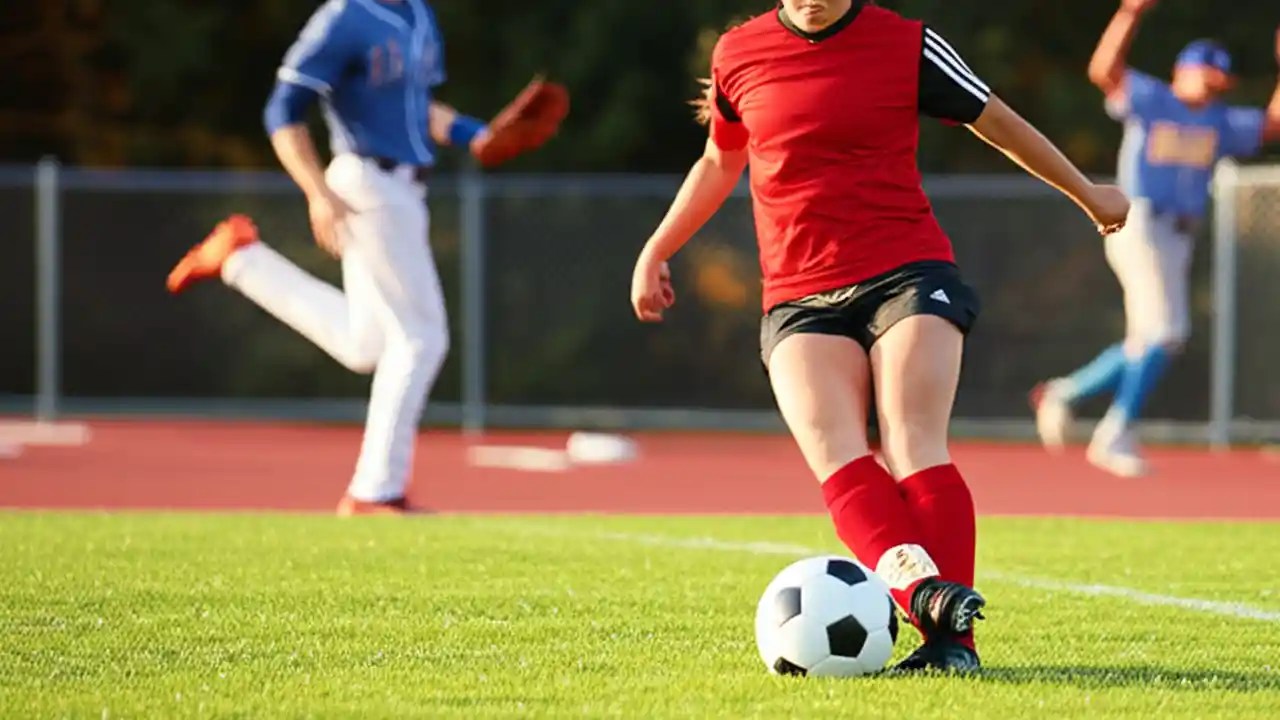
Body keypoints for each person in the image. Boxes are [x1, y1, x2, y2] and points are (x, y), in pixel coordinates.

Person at [630, 0, 1130, 672]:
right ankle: (922, 590)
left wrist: (1088, 193)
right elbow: (722, 160)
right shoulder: (736, 55)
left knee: (911, 438)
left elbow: (998, 122)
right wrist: (657, 248)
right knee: (836, 453)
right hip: (800, 294)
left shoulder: (906, 44)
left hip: (907, 271)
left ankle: (955, 646)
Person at [165, 0, 565, 515]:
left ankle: (240, 259)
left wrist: (476, 137)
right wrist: (315, 191)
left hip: (403, 191)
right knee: (422, 338)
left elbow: (415, 105)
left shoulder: (418, 12)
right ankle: (374, 491)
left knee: (367, 343)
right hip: (367, 183)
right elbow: (282, 109)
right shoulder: (344, 16)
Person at [1031, 0, 1280, 477]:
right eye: (1205, 77)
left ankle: (1066, 392)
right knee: (1166, 332)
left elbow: (1271, 124)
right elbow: (1105, 71)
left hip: (1178, 236)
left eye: (1217, 82)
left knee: (1149, 340)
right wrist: (1129, 14)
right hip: (1140, 222)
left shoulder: (1219, 122)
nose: (1211, 87)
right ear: (1182, 71)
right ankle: (1115, 431)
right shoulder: (1154, 99)